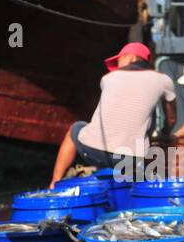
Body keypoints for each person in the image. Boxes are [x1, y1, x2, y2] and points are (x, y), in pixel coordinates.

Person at [49, 42, 175, 186]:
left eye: (119, 60)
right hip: (132, 159)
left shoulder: (108, 78)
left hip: (94, 152)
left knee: (75, 129)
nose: (117, 65)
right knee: (147, 121)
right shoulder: (164, 80)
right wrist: (165, 133)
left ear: (132, 58)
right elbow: (171, 119)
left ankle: (54, 183)